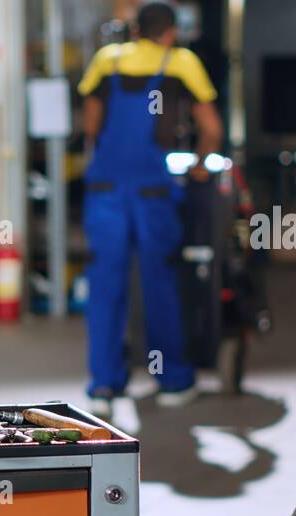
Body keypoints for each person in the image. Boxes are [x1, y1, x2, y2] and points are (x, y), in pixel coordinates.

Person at [77, 0, 222, 417]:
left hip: (106, 188)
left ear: (136, 30)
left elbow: (90, 126)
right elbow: (211, 129)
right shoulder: (181, 62)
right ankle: (173, 380)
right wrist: (197, 165)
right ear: (171, 32)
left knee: (105, 286)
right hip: (152, 191)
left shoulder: (107, 60)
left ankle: (104, 385)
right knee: (160, 281)